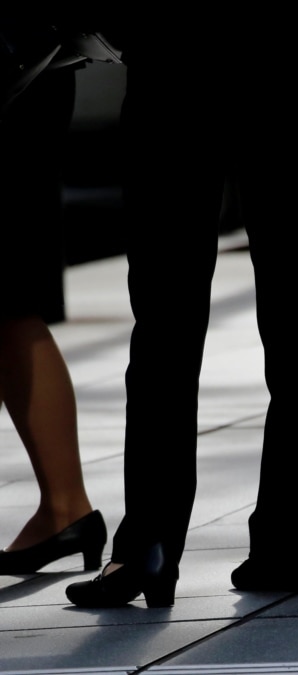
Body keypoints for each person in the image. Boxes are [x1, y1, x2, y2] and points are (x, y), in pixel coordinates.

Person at [65, 1, 298, 608]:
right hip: (277, 41)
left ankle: (149, 547)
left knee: (164, 315)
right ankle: (286, 546)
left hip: (172, 44)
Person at [0, 63, 105, 576]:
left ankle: (66, 505)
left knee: (9, 300)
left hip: (16, 70)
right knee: (9, 302)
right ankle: (64, 506)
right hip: (32, 65)